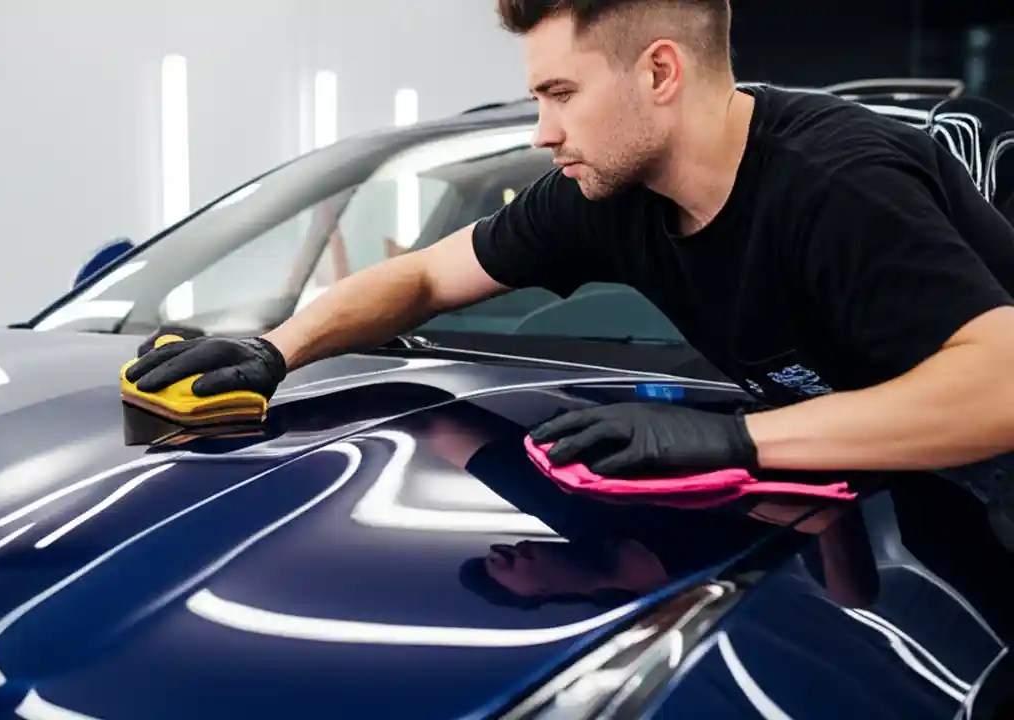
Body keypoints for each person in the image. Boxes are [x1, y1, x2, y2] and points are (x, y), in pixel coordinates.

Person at [124, 0, 1014, 547]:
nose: (542, 132)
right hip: (874, 494)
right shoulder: (607, 195)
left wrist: (740, 440)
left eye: (560, 94)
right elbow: (430, 278)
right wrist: (278, 348)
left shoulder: (839, 182)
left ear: (659, 70)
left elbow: (1001, 385)